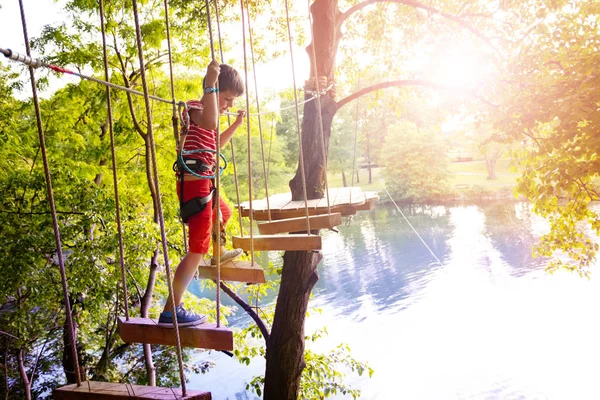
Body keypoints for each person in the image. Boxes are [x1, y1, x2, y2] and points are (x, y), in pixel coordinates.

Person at [159, 61, 245, 327]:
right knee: (197, 249)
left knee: (225, 213)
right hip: (195, 186)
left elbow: (215, 142)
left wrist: (237, 124)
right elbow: (209, 120)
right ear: (214, 91)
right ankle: (171, 310)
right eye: (227, 98)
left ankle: (216, 254)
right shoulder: (195, 108)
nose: (229, 106)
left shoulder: (210, 119)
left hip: (204, 184)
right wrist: (210, 82)